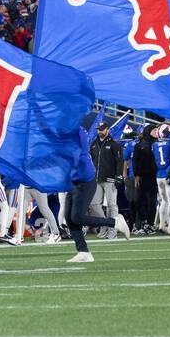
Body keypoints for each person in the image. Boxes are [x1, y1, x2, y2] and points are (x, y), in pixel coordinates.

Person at [65, 109, 131, 263]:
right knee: (69, 218)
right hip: (73, 179)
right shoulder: (66, 133)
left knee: (77, 217)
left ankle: (114, 222)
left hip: (85, 178)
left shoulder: (78, 132)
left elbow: (75, 154)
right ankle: (83, 252)